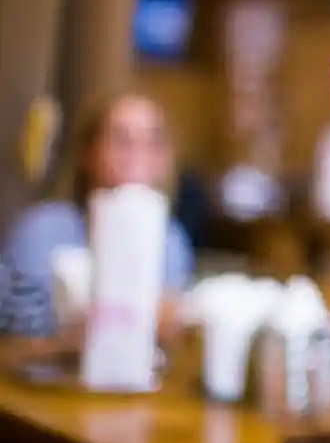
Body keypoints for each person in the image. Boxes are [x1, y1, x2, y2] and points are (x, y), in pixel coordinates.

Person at [2, 92, 194, 336]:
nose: (137, 155)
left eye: (153, 143)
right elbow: (13, 339)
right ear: (89, 153)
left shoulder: (171, 242)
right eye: (122, 141)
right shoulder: (42, 232)